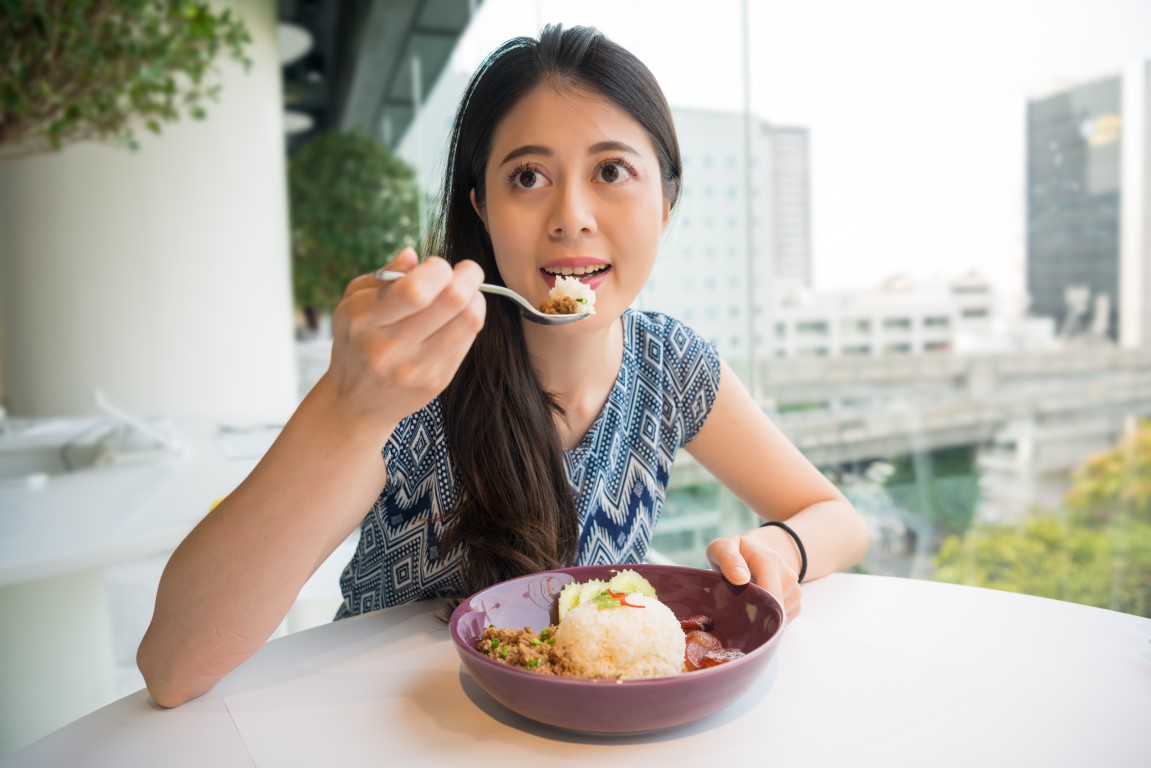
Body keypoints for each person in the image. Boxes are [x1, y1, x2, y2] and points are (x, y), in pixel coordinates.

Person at [137, 23, 870, 707]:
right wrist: (350, 405)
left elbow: (836, 517)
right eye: (527, 177)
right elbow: (173, 665)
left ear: (666, 203)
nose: (571, 215)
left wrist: (779, 548)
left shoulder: (671, 365)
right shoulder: (416, 374)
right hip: (389, 727)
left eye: (612, 170)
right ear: (481, 208)